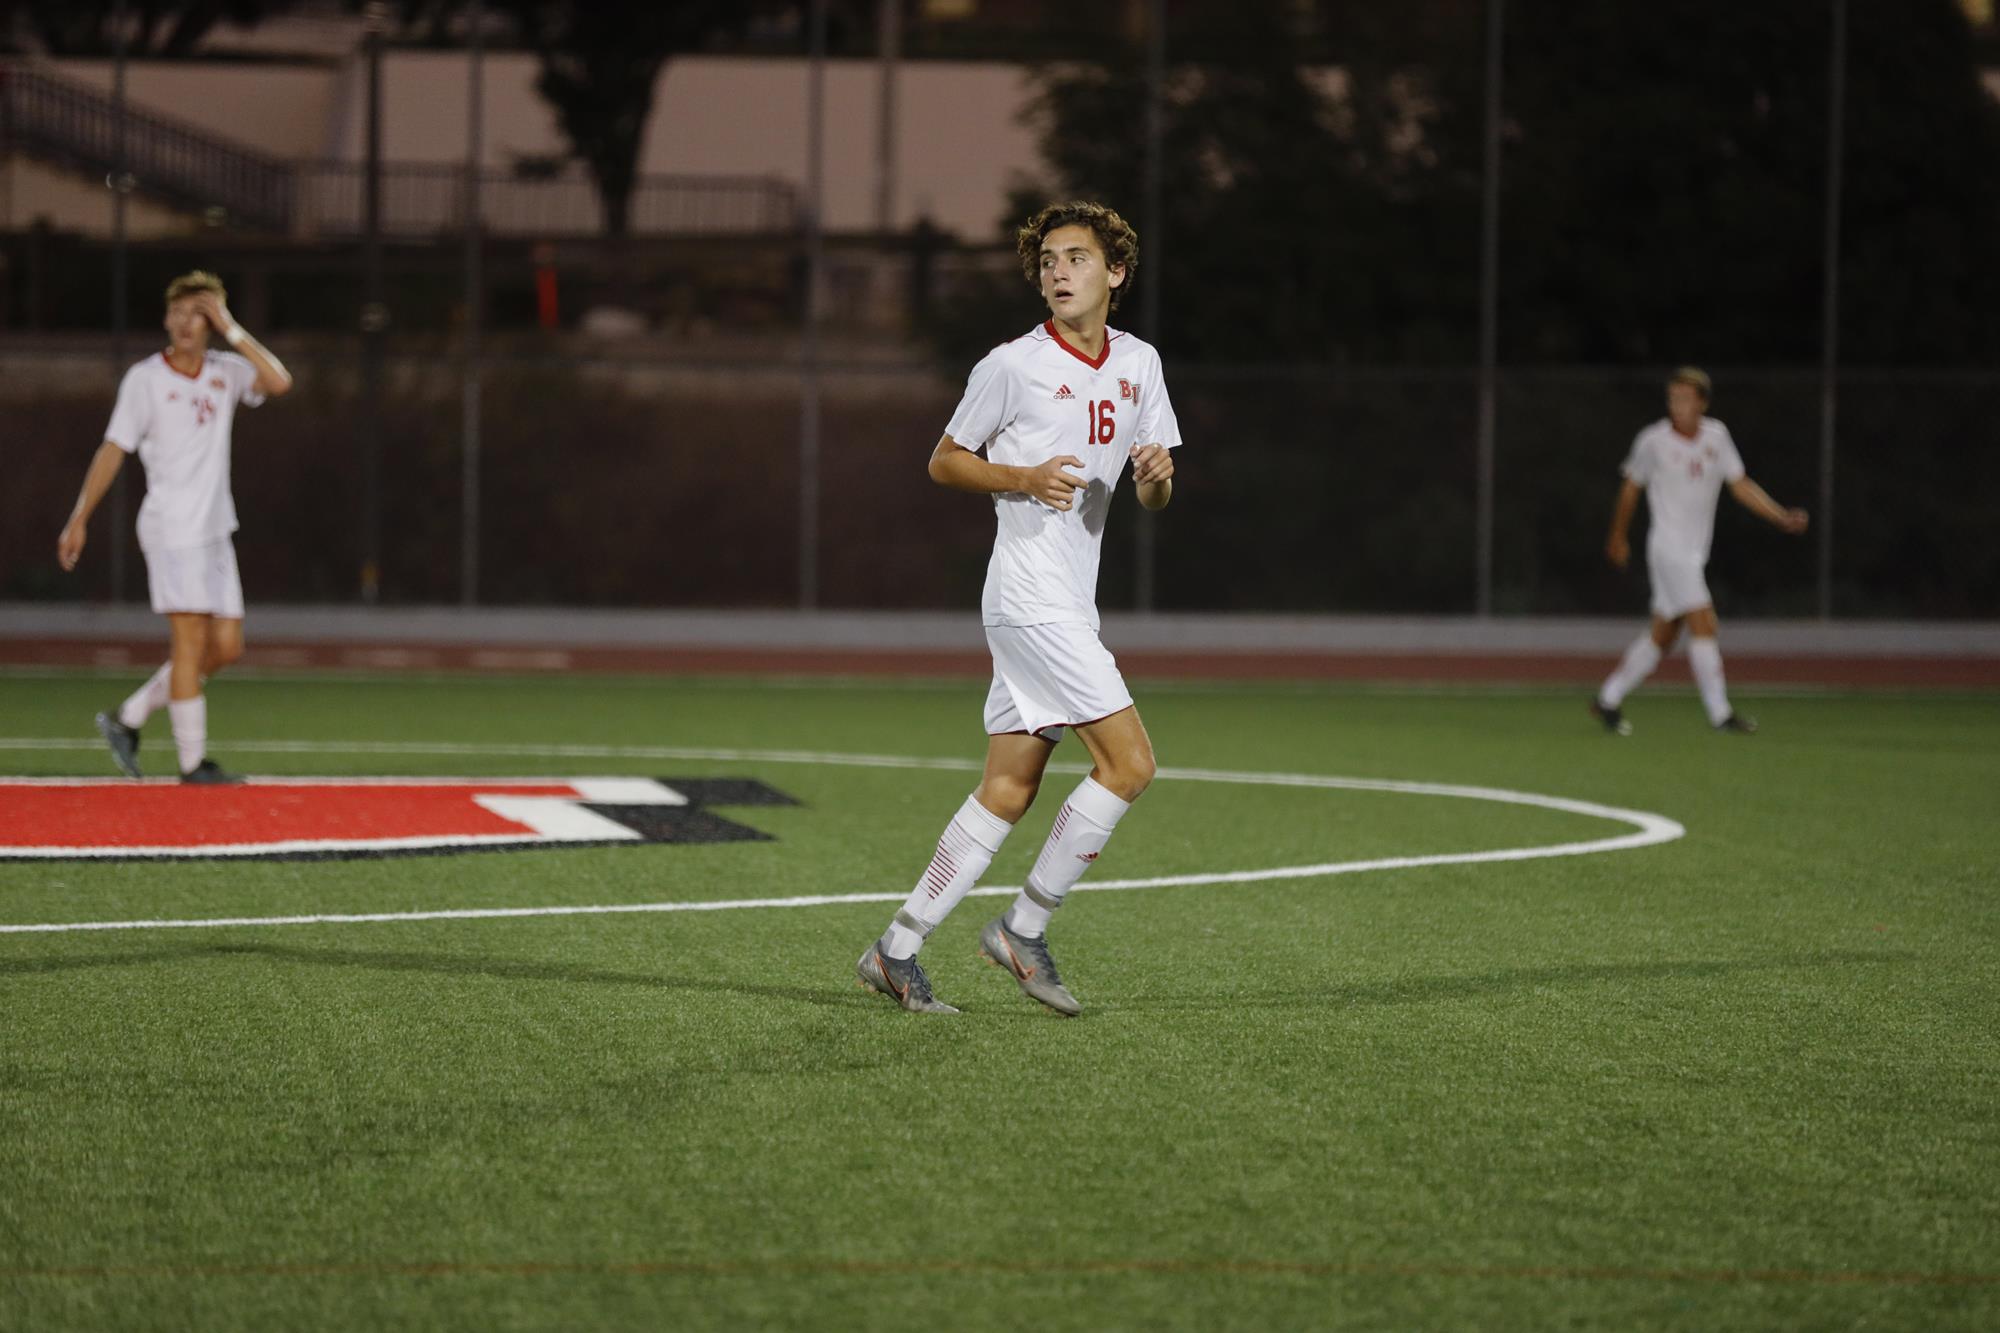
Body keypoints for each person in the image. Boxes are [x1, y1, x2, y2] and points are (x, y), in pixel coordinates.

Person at [856, 201, 1180, 1016]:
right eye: (1048, 262)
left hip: (1069, 599)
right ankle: (1024, 927)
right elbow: (944, 462)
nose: (1059, 272)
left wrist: (1153, 471)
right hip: (1030, 594)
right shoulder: (1012, 364)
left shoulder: (1141, 361)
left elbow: (1157, 494)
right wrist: (1024, 477)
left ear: (1117, 273)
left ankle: (895, 949)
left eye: (1077, 258)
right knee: (1131, 764)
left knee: (1008, 786)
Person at [57, 270, 294, 782]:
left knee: (226, 648)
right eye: (179, 313)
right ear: (165, 319)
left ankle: (129, 716)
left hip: (214, 529)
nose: (187, 324)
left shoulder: (225, 370)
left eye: (199, 314)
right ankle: (193, 764)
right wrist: (80, 517)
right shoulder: (146, 379)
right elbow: (113, 449)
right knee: (187, 645)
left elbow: (279, 381)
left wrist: (231, 327)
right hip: (170, 528)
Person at [1591, 367, 1807, 736]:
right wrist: (1617, 537)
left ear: (1703, 403)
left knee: (1664, 633)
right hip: (1667, 548)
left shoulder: (1717, 437)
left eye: (1686, 399)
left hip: (1694, 552)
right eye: (1673, 398)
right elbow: (1630, 490)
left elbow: (1740, 485)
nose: (1678, 405)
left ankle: (1608, 699)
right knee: (1705, 622)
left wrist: (1779, 516)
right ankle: (1720, 715)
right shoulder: (1653, 441)